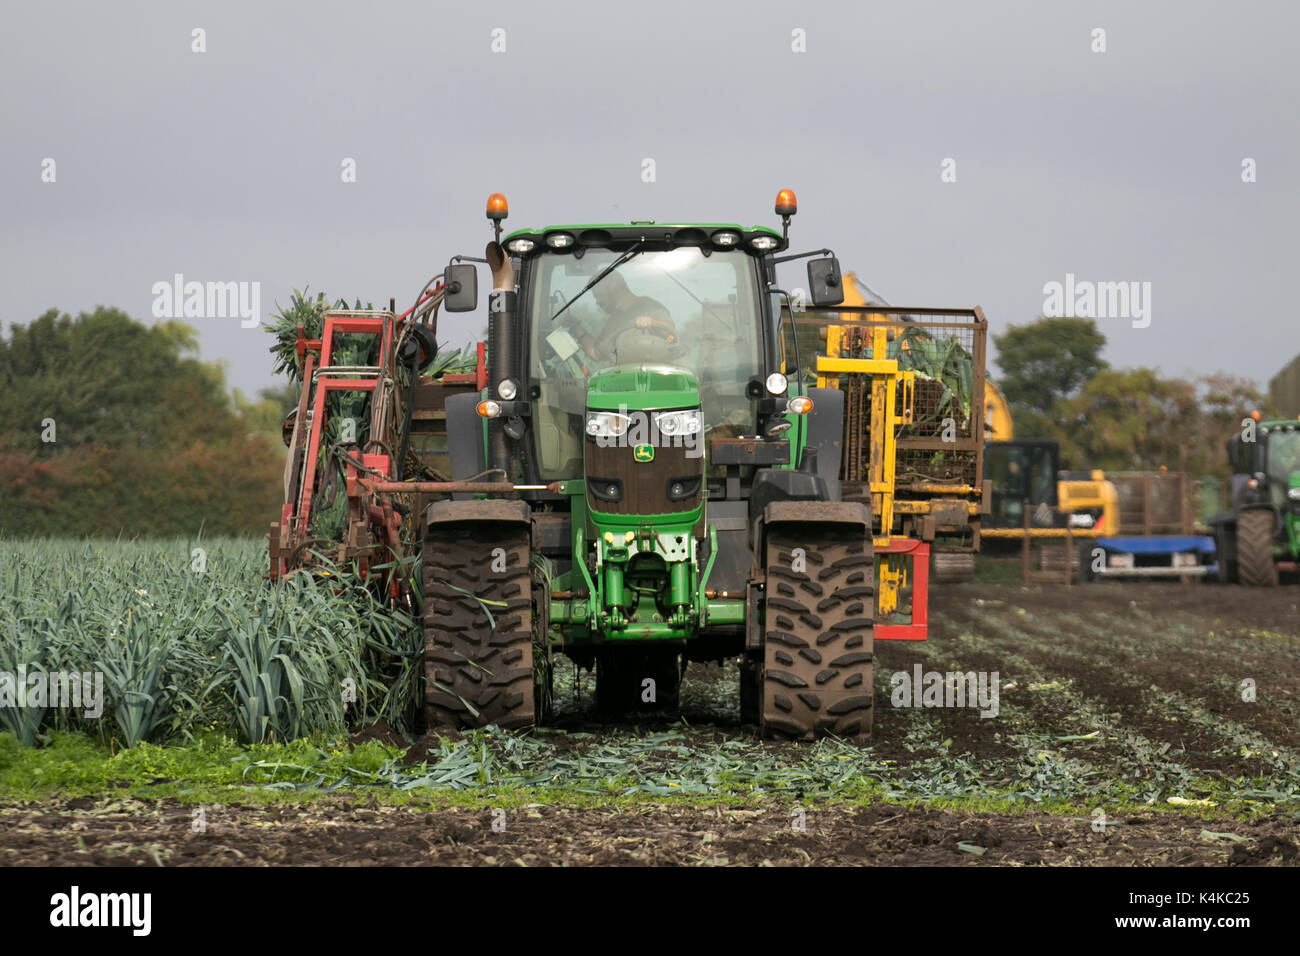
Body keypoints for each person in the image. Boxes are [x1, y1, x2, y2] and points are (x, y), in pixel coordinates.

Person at [579, 271, 675, 362]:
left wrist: (653, 322)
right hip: (623, 376)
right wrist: (576, 327)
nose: (597, 302)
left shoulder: (650, 307)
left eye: (599, 295)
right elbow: (595, 353)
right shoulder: (612, 322)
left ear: (613, 288)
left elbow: (671, 331)